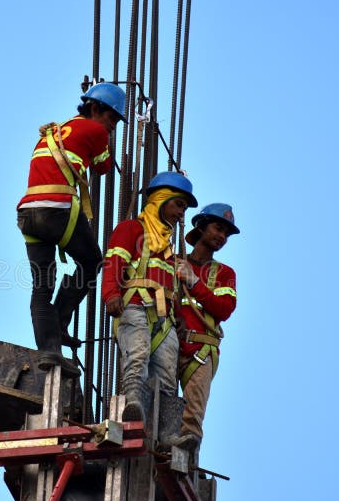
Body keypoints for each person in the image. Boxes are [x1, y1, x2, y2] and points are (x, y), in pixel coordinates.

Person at [17, 83, 126, 377]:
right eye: (112, 119)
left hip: (28, 212)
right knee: (92, 263)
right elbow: (103, 169)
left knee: (42, 286)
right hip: (58, 207)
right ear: (94, 109)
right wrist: (104, 144)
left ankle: (49, 350)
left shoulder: (55, 130)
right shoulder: (97, 131)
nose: (112, 127)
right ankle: (60, 319)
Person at [102, 172, 198, 422]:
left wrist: (180, 317)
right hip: (133, 307)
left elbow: (171, 286)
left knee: (167, 374)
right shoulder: (132, 229)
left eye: (184, 208)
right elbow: (113, 264)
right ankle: (133, 404)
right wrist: (111, 294)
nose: (181, 214)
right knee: (138, 355)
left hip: (165, 320)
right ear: (161, 199)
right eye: (179, 204)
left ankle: (165, 430)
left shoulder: (167, 248)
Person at [172, 203, 239, 451]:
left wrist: (194, 282)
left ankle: (185, 458)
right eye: (217, 228)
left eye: (226, 234)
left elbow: (224, 309)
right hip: (169, 343)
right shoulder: (173, 262)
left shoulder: (224, 273)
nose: (221, 236)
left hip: (201, 351)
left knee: (191, 424)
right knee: (161, 404)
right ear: (201, 227)